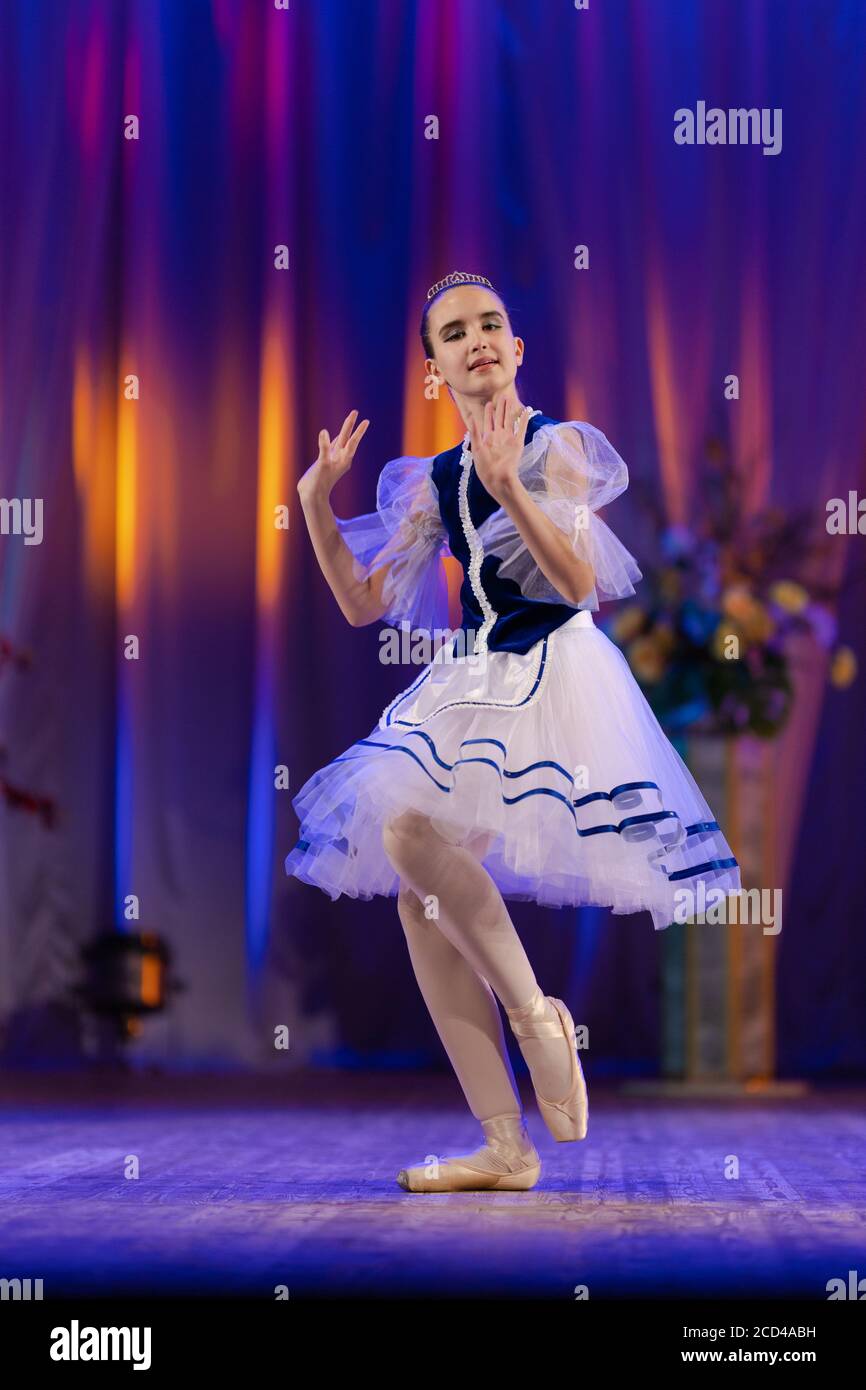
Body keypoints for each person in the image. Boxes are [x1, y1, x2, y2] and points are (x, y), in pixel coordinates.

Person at [288, 271, 740, 1193]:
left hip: (555, 674)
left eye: (492, 324)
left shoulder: (556, 446)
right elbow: (359, 602)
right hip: (474, 679)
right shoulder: (435, 480)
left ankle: (538, 1019)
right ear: (434, 369)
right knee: (419, 894)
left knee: (408, 835)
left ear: (518, 348)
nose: (479, 340)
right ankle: (505, 1145)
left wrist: (512, 486)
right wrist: (313, 505)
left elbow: (579, 582)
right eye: (455, 333)